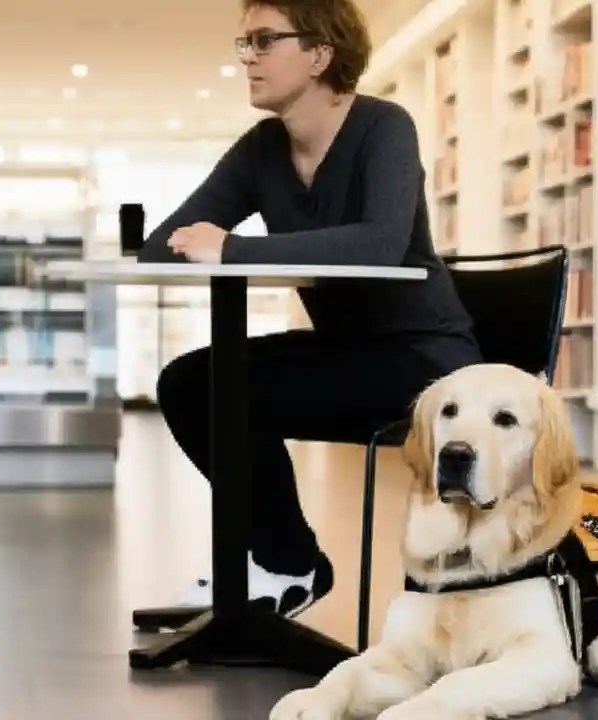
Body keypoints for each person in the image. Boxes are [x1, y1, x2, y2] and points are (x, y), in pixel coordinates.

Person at [137, 0, 483, 618]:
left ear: (321, 53)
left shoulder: (384, 129)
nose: (248, 58)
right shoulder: (262, 150)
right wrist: (203, 243)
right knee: (190, 383)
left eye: (265, 40)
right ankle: (284, 561)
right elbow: (163, 241)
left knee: (232, 390)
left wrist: (233, 247)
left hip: (422, 358)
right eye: (243, 43)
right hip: (343, 351)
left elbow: (378, 241)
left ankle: (275, 566)